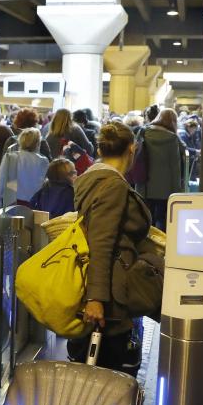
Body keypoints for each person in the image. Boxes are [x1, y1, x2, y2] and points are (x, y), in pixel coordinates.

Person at [71, 122, 154, 377]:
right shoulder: (113, 185)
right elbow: (102, 243)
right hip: (110, 297)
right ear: (132, 149)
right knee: (112, 375)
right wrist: (96, 300)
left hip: (100, 286)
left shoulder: (90, 178)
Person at [138, 107, 188, 230]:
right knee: (162, 218)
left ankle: (146, 245)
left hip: (144, 185)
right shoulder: (172, 138)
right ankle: (160, 246)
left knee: (146, 218)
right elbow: (175, 166)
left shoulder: (144, 132)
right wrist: (178, 190)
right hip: (165, 188)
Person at [0, 128, 49, 207]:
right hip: (34, 205)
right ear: (37, 143)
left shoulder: (10, 157)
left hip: (11, 203)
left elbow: (1, 180)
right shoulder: (43, 161)